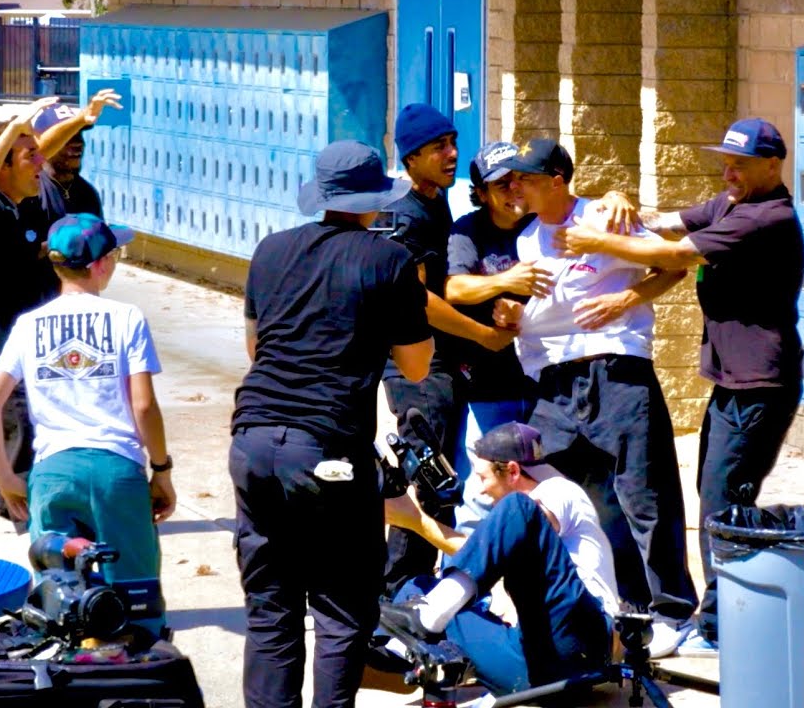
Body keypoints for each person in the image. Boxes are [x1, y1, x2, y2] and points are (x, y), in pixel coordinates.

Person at [556, 117, 804, 655]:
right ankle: (738, 607)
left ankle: (718, 628)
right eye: (726, 160)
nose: (729, 170)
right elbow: (663, 225)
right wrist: (620, 203)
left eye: (740, 163)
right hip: (732, 380)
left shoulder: (767, 218)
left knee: (723, 503)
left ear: (772, 164)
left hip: (761, 384)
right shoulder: (730, 203)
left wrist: (599, 240)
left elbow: (677, 255)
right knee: (714, 497)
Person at [229, 140, 434, 708]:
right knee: (342, 607)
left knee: (272, 607)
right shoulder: (387, 259)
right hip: (327, 449)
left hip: (253, 440)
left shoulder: (270, 251)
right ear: (375, 198)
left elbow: (256, 346)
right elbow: (415, 365)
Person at [493, 138, 697, 658]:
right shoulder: (527, 244)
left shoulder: (607, 217)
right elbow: (542, 311)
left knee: (644, 493)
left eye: (525, 179)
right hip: (555, 384)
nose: (514, 188)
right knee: (571, 494)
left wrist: (628, 297)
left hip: (616, 369)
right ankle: (619, 603)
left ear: (557, 180)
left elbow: (676, 264)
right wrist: (512, 318)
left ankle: (672, 610)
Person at [0, 89, 124, 552]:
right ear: (2, 165)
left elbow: (51, 146)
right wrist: (16, 126)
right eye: (28, 154)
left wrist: (83, 118)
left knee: (14, 467)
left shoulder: (35, 203)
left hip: (39, 359)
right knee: (5, 471)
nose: (41, 160)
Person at [0, 213, 174, 634]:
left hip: (52, 473)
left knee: (61, 602)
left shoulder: (28, 326)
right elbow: (143, 407)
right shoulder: (126, 319)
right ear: (101, 264)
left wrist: (3, 474)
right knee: (135, 603)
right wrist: (161, 470)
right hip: (115, 471)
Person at [375, 104, 516, 596]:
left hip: (441, 370)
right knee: (426, 484)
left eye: (454, 143)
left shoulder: (434, 201)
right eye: (439, 147)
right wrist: (482, 336)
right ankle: (398, 594)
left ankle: (416, 586)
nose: (452, 154)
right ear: (411, 157)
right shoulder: (403, 212)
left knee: (441, 485)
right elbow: (419, 302)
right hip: (417, 371)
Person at [381, 422, 618, 696]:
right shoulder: (517, 522)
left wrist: (419, 522)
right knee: (417, 589)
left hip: (583, 642)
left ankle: (428, 617)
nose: (480, 491)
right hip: (532, 669)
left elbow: (522, 528)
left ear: (513, 470)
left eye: (482, 478)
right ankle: (389, 661)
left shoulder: (558, 491)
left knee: (518, 508)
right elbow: (493, 549)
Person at [444, 141, 551, 529]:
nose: (513, 190)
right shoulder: (467, 231)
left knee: (545, 484)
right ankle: (471, 588)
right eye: (501, 184)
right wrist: (505, 282)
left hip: (545, 382)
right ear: (482, 194)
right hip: (488, 384)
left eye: (520, 180)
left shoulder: (543, 224)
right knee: (480, 492)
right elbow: (454, 289)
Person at [32, 103, 104, 221]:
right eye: (67, 137)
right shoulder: (31, 191)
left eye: (79, 135)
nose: (78, 143)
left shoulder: (88, 194)